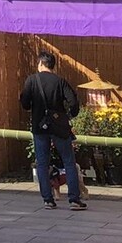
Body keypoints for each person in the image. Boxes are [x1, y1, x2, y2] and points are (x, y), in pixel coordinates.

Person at [20, 52, 86, 211]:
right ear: (52, 65)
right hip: (59, 127)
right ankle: (74, 200)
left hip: (39, 126)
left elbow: (25, 103)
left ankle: (48, 200)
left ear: (40, 64)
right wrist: (68, 115)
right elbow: (73, 102)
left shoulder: (32, 80)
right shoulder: (60, 81)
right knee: (68, 161)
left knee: (42, 163)